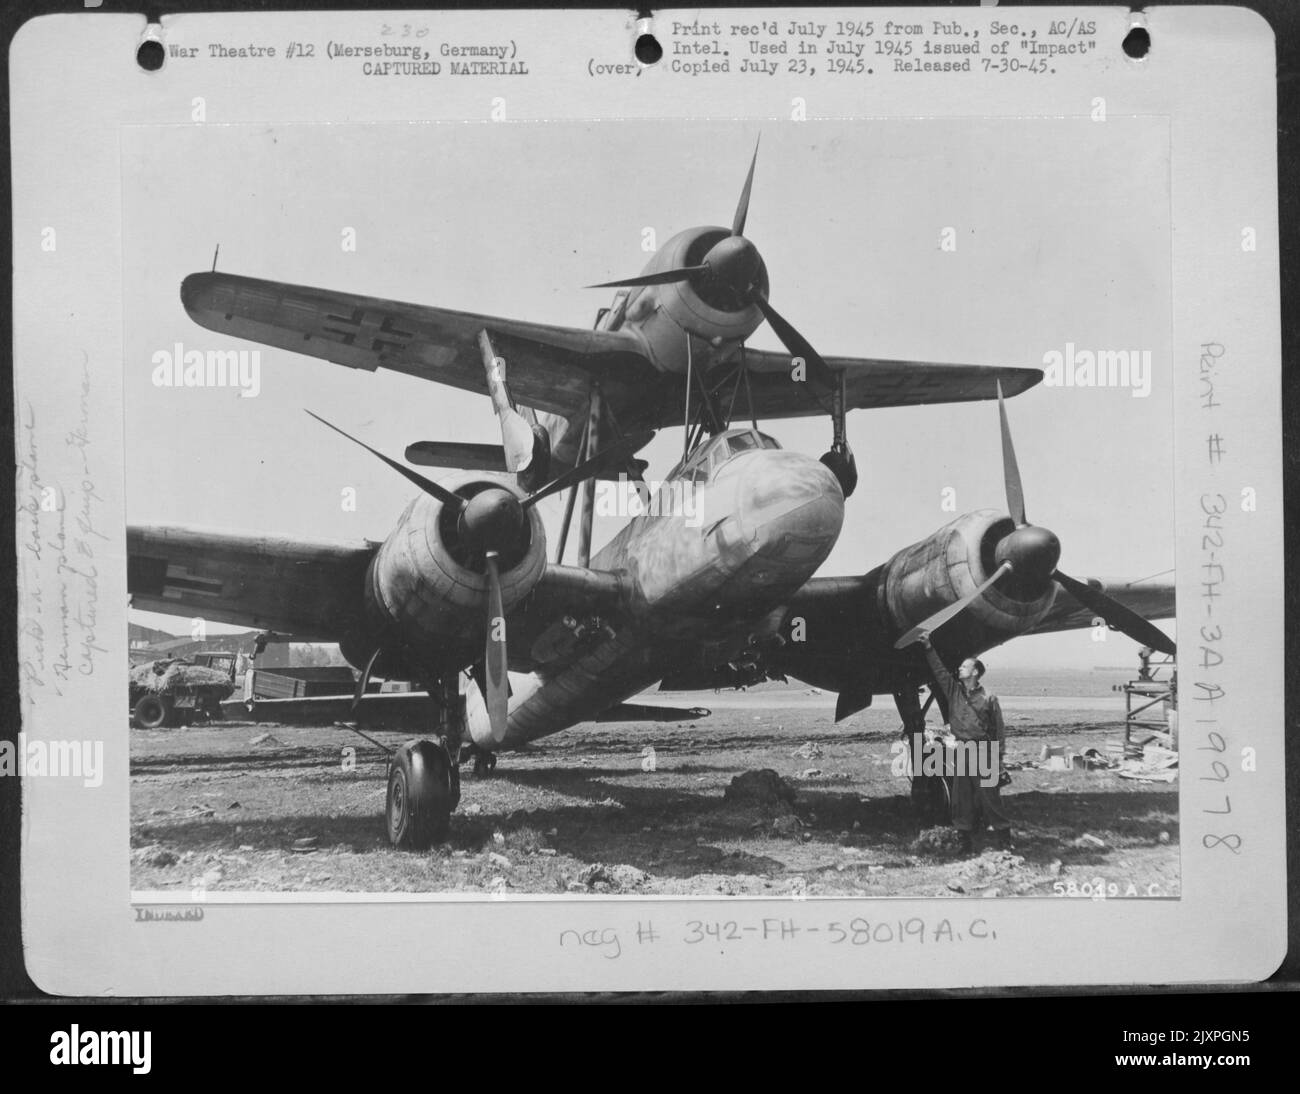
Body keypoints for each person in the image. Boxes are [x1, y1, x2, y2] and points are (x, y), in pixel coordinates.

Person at [919, 633, 1012, 855]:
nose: (959, 669)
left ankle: (1004, 839)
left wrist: (998, 759)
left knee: (989, 797)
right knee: (962, 798)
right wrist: (928, 647)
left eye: (964, 667)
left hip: (983, 751)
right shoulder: (953, 691)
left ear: (976, 672)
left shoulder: (989, 697)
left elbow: (998, 730)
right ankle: (965, 841)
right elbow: (940, 672)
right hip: (962, 750)